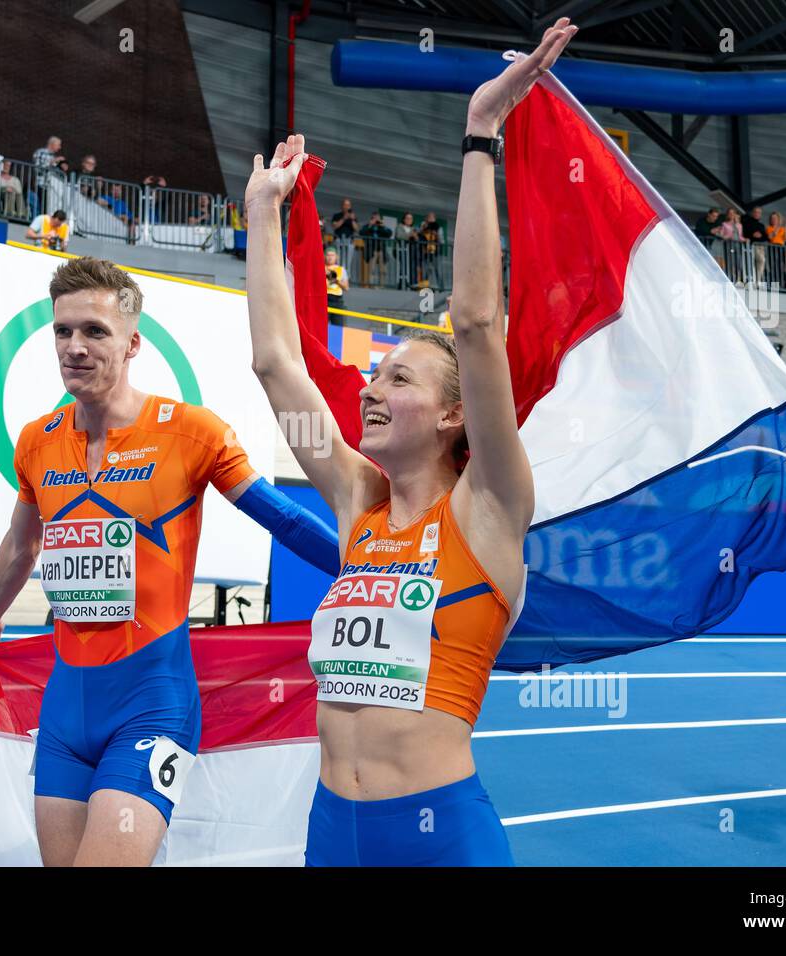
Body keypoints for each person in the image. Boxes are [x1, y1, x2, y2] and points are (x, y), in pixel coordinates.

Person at [243, 19, 576, 867]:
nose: (368, 388)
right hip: (331, 831)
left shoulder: (493, 508)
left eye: (397, 379)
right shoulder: (360, 502)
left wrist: (479, 135)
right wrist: (261, 212)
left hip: (438, 836)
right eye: (373, 375)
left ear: (456, 415)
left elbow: (473, 321)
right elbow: (276, 363)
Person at [0, 257, 339, 867]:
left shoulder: (191, 433)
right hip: (65, 711)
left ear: (133, 343)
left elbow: (284, 519)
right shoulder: (37, 438)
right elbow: (22, 543)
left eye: (95, 332)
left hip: (151, 703)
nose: (74, 347)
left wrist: (372, 566)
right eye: (63, 331)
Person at [360, 211, 393, 286]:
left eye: (377, 218)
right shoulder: (368, 226)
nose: (376, 219)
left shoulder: (381, 227)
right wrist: (370, 225)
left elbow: (389, 234)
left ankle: (382, 285)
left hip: (381, 250)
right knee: (372, 268)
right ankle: (372, 283)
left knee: (383, 269)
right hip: (371, 250)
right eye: (374, 218)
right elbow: (361, 233)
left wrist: (383, 226)